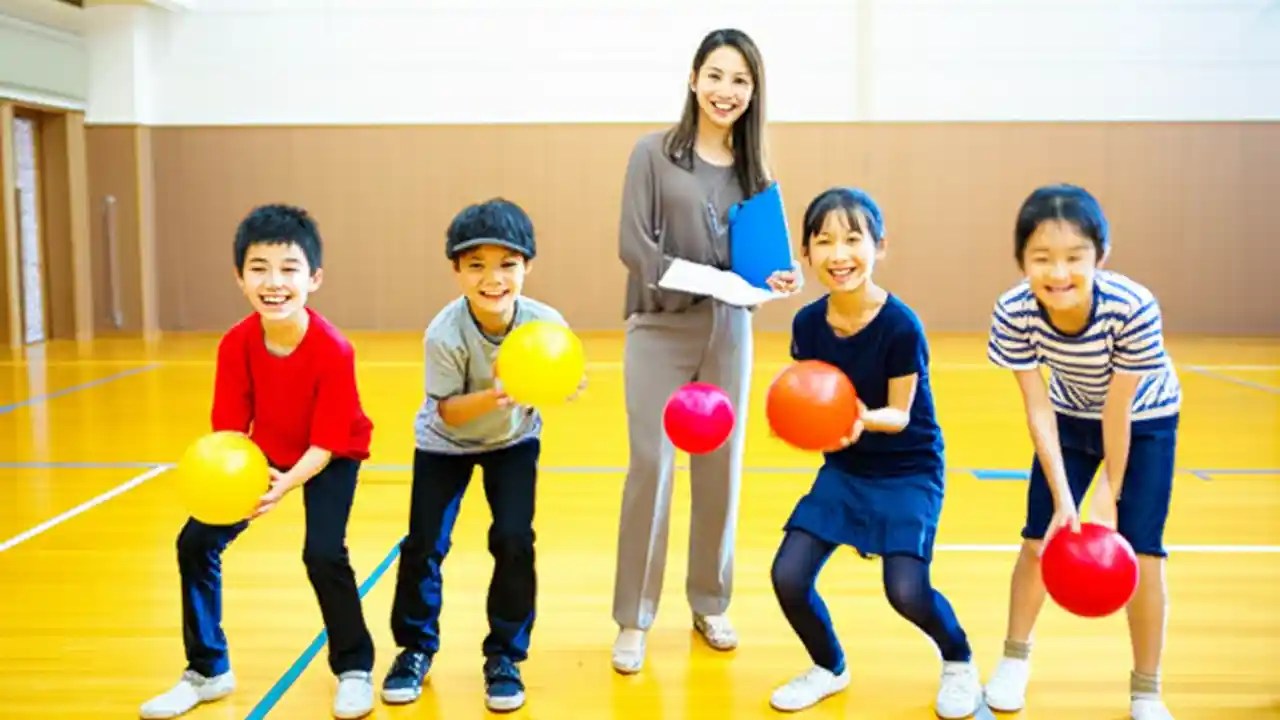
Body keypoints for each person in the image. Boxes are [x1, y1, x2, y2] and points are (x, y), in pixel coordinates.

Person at [139, 204, 377, 720]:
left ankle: (354, 668)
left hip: (329, 454)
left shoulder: (335, 350)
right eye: (259, 268)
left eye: (289, 269)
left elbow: (327, 441)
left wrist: (284, 485)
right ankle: (208, 671)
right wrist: (233, 489)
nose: (274, 282)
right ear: (239, 277)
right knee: (196, 542)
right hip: (265, 449)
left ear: (313, 278)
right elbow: (228, 434)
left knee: (322, 554)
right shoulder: (236, 343)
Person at [611, 26, 799, 675]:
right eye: (715, 75)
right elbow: (636, 251)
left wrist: (780, 277)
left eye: (740, 80)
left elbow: (758, 266)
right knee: (649, 468)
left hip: (729, 331)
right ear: (694, 79)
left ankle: (710, 599)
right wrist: (719, 280)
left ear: (753, 93)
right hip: (659, 327)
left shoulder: (757, 173)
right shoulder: (652, 154)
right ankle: (634, 615)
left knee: (721, 467)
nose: (726, 90)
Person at [767, 187, 984, 718]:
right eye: (824, 241)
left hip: (908, 467)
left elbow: (901, 414)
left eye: (852, 239)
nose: (839, 254)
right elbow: (813, 396)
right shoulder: (808, 325)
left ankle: (958, 659)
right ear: (807, 253)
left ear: (879, 246)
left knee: (906, 591)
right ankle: (829, 666)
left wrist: (855, 420)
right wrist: (801, 427)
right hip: (846, 466)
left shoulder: (900, 326)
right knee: (788, 576)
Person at [983, 183, 1181, 720]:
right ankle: (1014, 660)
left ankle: (1146, 689)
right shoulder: (1014, 310)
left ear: (1101, 256)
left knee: (1142, 554)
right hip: (1068, 415)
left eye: (1075, 257)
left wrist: (1107, 496)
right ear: (1021, 259)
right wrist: (1065, 498)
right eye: (1042, 258)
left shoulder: (1132, 307)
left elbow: (1120, 409)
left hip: (1145, 419)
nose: (1059, 273)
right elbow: (1037, 406)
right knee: (1037, 541)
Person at [380, 198, 579, 713]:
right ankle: (415, 649)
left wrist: (563, 383)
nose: (493, 279)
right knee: (426, 543)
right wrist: (498, 393)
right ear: (456, 271)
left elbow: (564, 377)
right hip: (445, 444)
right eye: (476, 266)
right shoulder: (444, 333)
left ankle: (505, 657)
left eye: (507, 265)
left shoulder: (544, 323)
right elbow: (448, 413)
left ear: (527, 267)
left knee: (514, 540)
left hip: (513, 441)